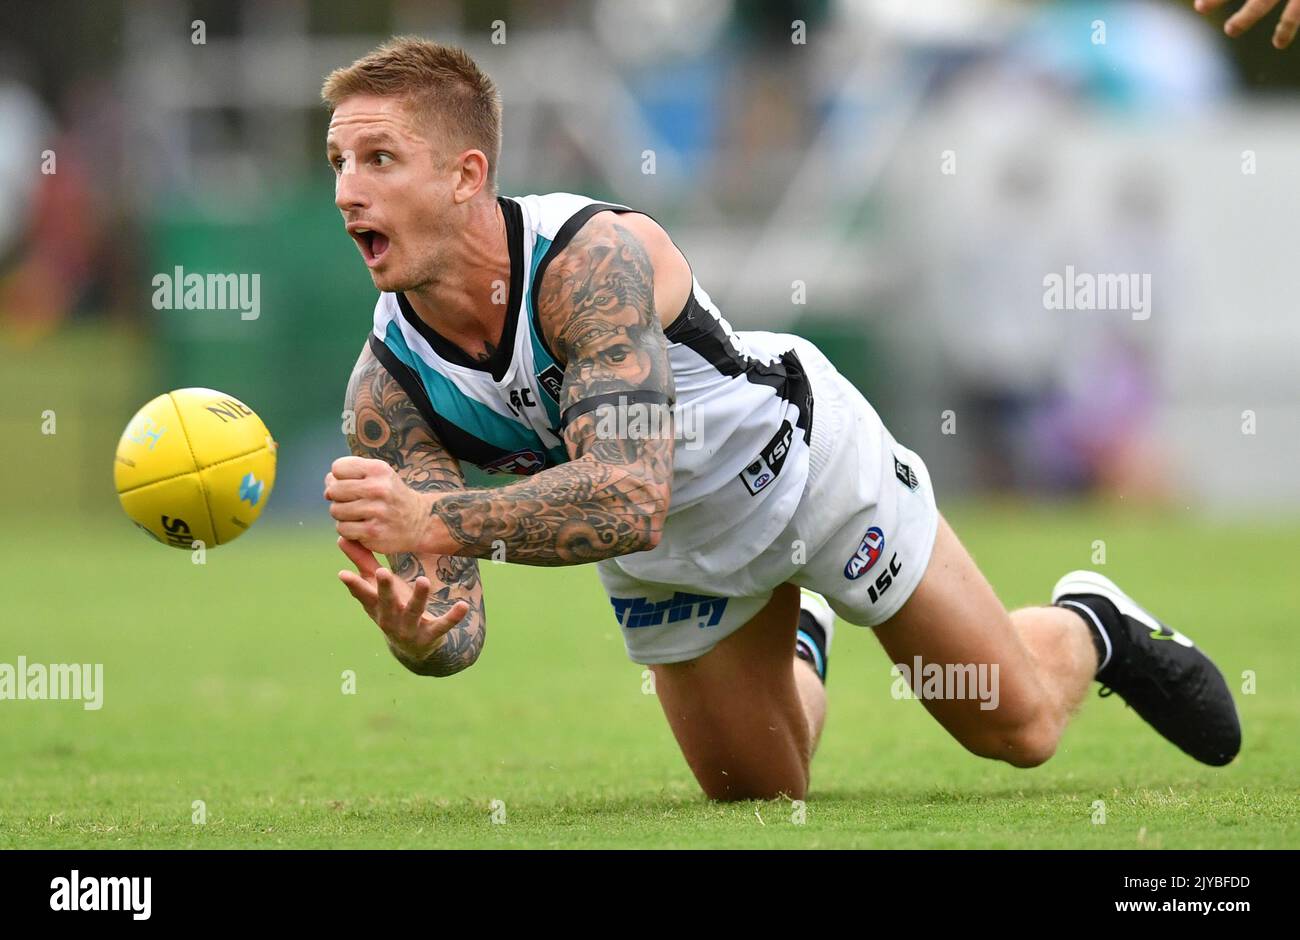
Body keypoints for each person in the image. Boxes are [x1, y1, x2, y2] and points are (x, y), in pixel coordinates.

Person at [321, 38, 1239, 801]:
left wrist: (434, 521)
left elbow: (628, 496)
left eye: (378, 159)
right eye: (337, 164)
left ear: (465, 174)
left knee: (1019, 729)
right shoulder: (388, 386)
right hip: (674, 560)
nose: (345, 192)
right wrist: (421, 637)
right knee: (766, 797)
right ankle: (802, 631)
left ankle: (1094, 622)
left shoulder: (587, 260)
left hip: (806, 473)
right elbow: (454, 622)